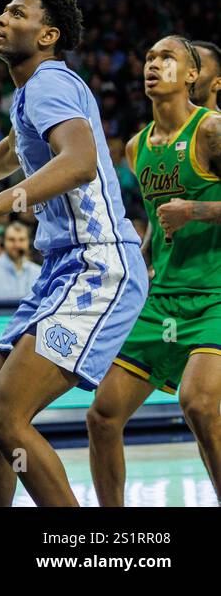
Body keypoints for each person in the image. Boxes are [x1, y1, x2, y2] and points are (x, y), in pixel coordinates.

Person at [0, 0, 148, 507]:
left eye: (17, 13)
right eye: (3, 11)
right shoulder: (36, 91)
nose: (1, 19)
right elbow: (15, 144)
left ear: (48, 35)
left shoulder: (51, 80)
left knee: (5, 415)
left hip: (98, 264)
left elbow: (78, 162)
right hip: (63, 267)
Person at [87, 36, 221, 504]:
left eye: (167, 58)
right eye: (148, 58)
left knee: (199, 404)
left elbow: (183, 212)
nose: (153, 64)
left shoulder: (212, 130)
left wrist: (198, 211)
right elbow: (157, 226)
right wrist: (130, 267)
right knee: (103, 415)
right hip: (161, 301)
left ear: (191, 75)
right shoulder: (136, 147)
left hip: (214, 296)